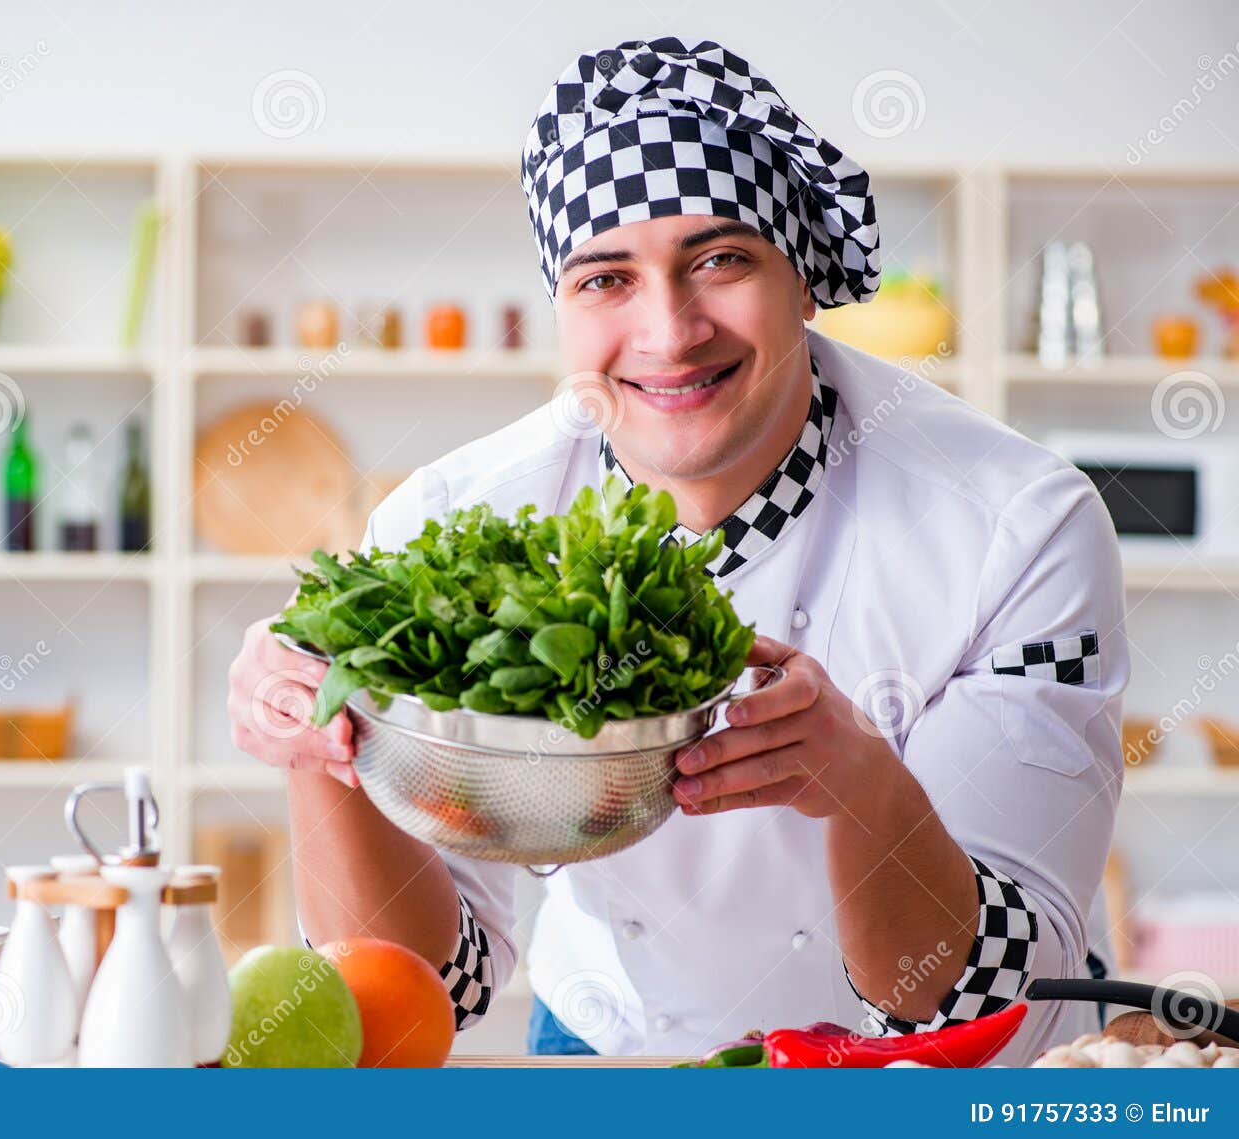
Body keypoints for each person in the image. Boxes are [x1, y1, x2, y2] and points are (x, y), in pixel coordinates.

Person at [226, 37, 1125, 1061]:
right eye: (606, 279)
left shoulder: (1015, 526)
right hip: (612, 1046)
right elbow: (423, 988)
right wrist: (320, 737)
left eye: (720, 260)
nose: (668, 331)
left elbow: (976, 1002)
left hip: (925, 1073)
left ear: (803, 279)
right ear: (561, 312)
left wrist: (860, 782)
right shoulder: (446, 527)